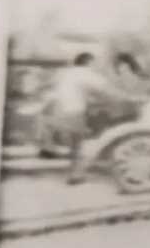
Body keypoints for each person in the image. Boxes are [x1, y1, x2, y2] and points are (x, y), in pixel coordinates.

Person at [38, 52, 125, 184]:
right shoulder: (86, 73)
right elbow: (106, 89)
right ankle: (75, 175)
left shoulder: (65, 73)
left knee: (73, 142)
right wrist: (127, 97)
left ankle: (49, 148)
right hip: (74, 111)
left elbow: (51, 88)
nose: (96, 65)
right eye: (94, 63)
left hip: (56, 110)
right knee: (78, 145)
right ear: (89, 62)